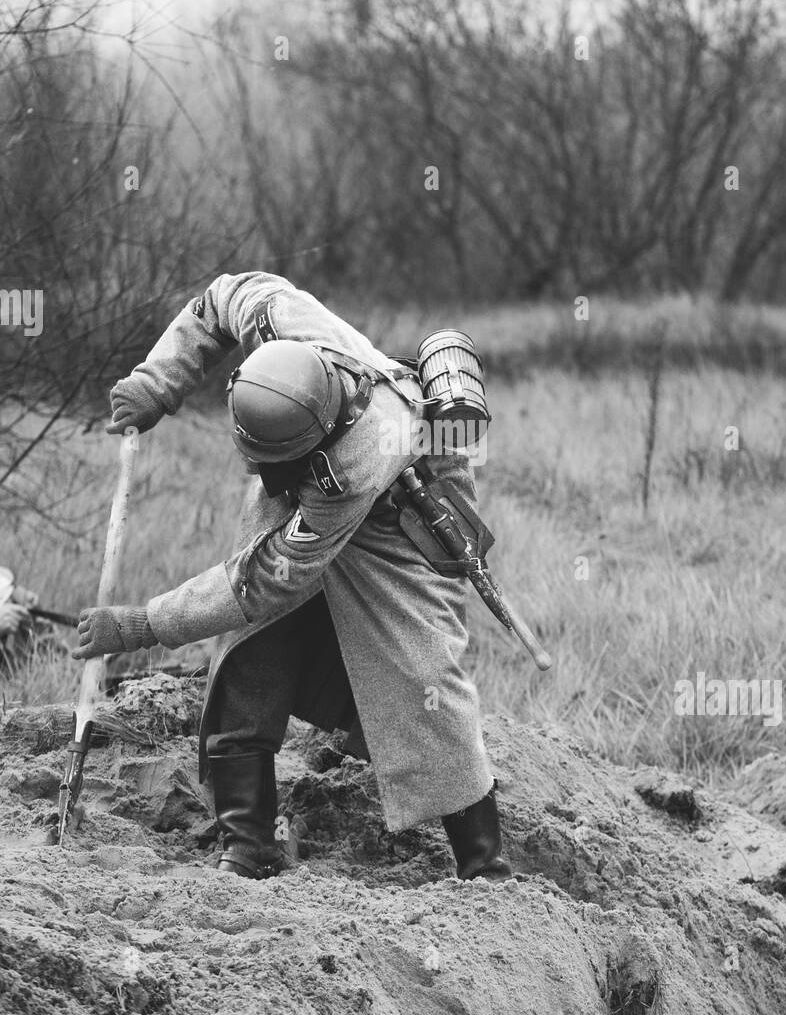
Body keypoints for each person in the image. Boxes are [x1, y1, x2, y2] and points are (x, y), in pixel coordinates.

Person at [72, 271, 512, 883]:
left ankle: (484, 864)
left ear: (308, 445)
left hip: (403, 521)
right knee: (250, 655)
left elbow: (261, 581)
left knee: (425, 680)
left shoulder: (350, 472)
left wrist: (138, 624)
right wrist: (157, 382)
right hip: (311, 482)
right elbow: (216, 300)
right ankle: (247, 847)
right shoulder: (275, 315)